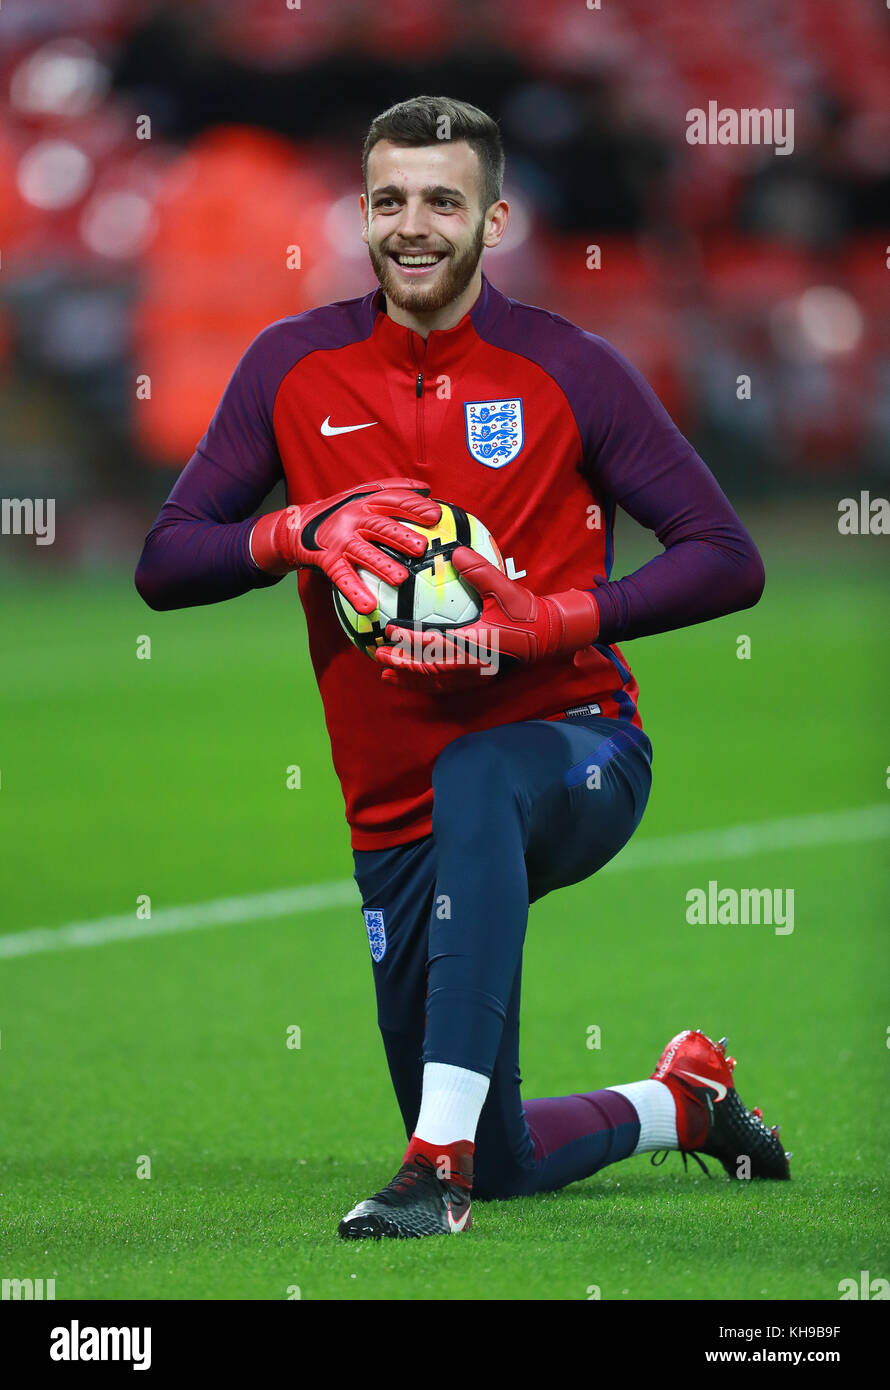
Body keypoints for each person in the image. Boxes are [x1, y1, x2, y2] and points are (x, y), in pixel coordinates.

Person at [135, 95, 789, 1240]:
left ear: (494, 218)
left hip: (572, 752)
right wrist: (295, 529)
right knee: (512, 1157)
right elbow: (163, 560)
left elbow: (726, 558)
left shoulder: (568, 367)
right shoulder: (291, 368)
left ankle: (430, 1168)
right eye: (389, 200)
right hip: (391, 813)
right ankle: (676, 1101)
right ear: (361, 214)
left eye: (443, 199)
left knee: (478, 774)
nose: (413, 225)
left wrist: (552, 622)